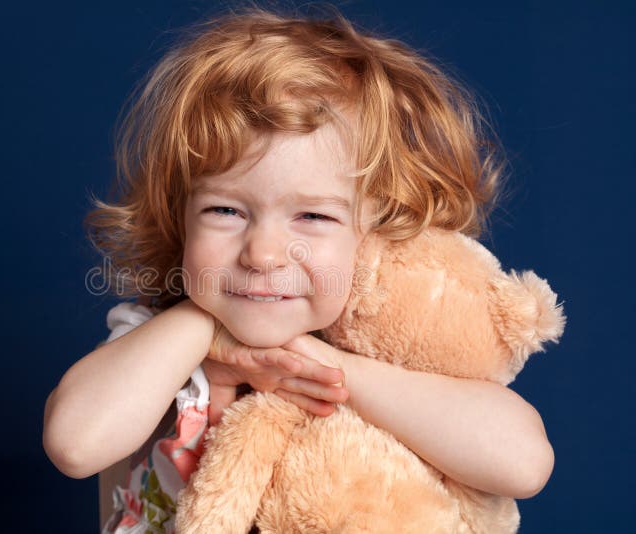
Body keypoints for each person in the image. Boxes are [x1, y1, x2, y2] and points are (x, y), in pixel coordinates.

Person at [42, 6, 555, 533]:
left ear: (376, 229)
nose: (262, 255)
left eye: (312, 216)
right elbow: (75, 445)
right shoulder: (157, 339)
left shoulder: (392, 347)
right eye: (225, 211)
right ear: (180, 215)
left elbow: (524, 463)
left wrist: (329, 368)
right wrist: (204, 329)